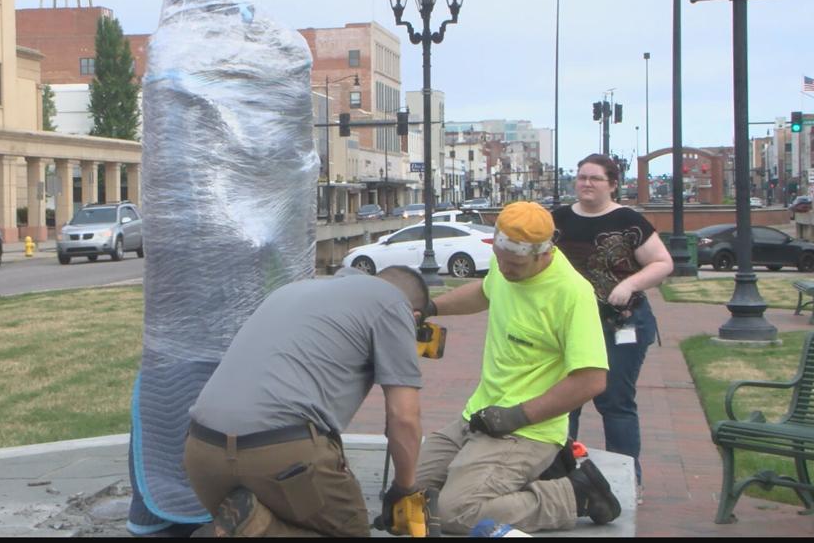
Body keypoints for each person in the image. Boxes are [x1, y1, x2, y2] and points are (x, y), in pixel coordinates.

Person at [415, 201, 621, 534]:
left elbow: (591, 380)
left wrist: (517, 416)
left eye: (514, 265)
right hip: (479, 415)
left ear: (544, 253)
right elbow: (484, 293)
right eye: (500, 260)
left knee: (456, 512)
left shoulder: (571, 294)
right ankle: (505, 478)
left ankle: (575, 493)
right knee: (409, 490)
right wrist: (430, 307)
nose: (505, 270)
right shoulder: (506, 261)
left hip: (527, 431)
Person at [183, 266, 429, 537]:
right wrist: (404, 488)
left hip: (202, 456)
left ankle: (243, 525)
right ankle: (256, 530)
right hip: (284, 462)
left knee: (285, 511)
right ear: (414, 316)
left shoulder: (291, 290)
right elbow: (404, 418)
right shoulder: (393, 302)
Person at [552, 153, 674, 501]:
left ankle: (626, 478)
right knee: (564, 401)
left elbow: (662, 263)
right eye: (581, 177)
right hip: (570, 325)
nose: (586, 184)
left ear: (612, 184)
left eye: (595, 178)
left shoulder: (629, 221)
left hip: (622, 323)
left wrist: (630, 285)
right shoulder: (557, 220)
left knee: (615, 400)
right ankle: (561, 476)